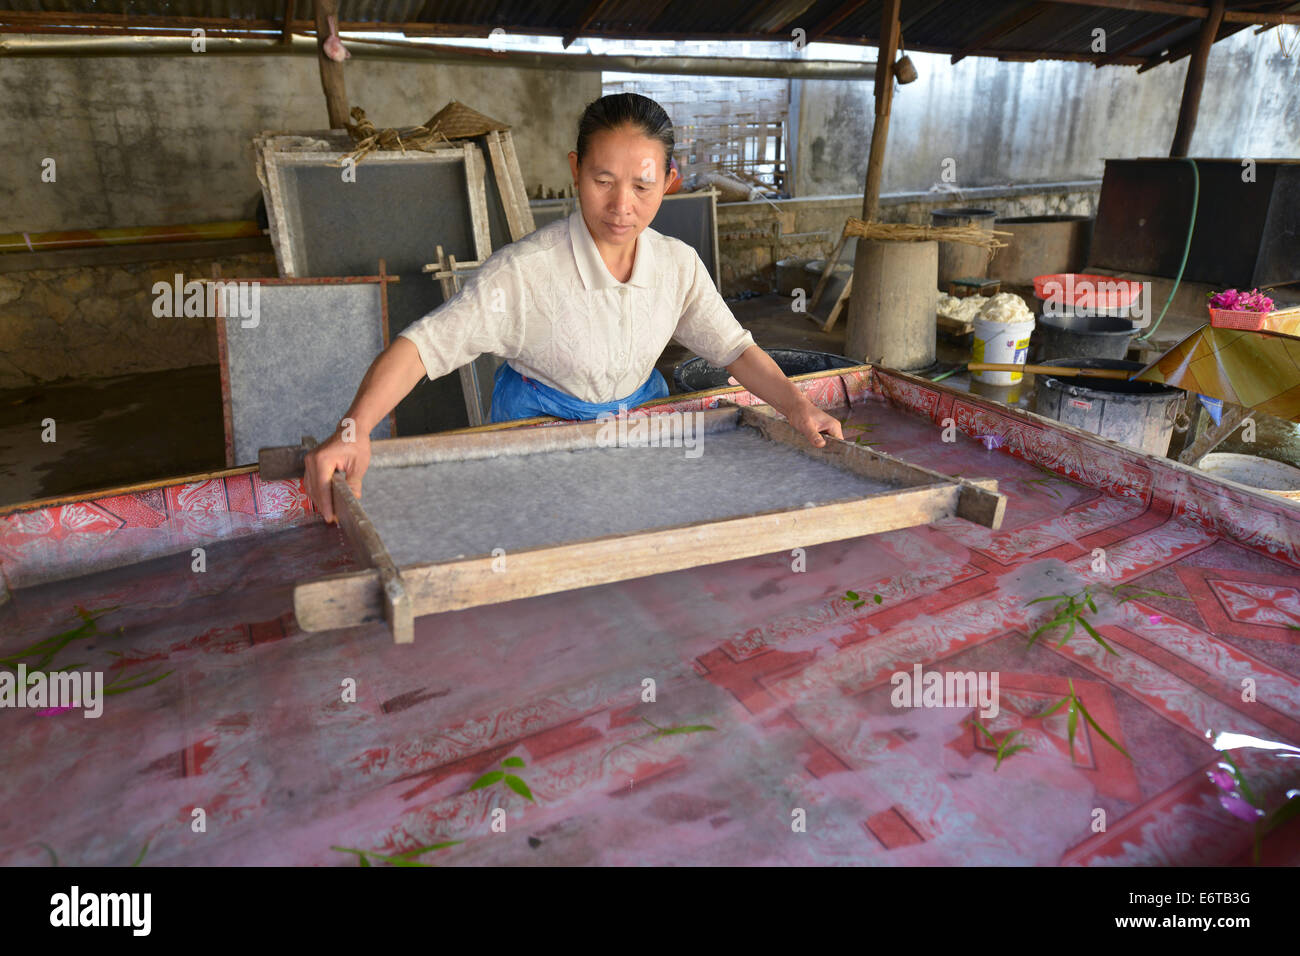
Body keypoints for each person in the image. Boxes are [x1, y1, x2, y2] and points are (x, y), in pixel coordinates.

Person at [305, 92, 843, 522]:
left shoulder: (677, 265)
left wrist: (797, 407)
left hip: (638, 430)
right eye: (602, 180)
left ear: (670, 182)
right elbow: (421, 348)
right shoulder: (525, 272)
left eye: (642, 185)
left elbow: (736, 350)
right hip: (537, 436)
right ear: (575, 169)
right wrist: (354, 430)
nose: (621, 206)